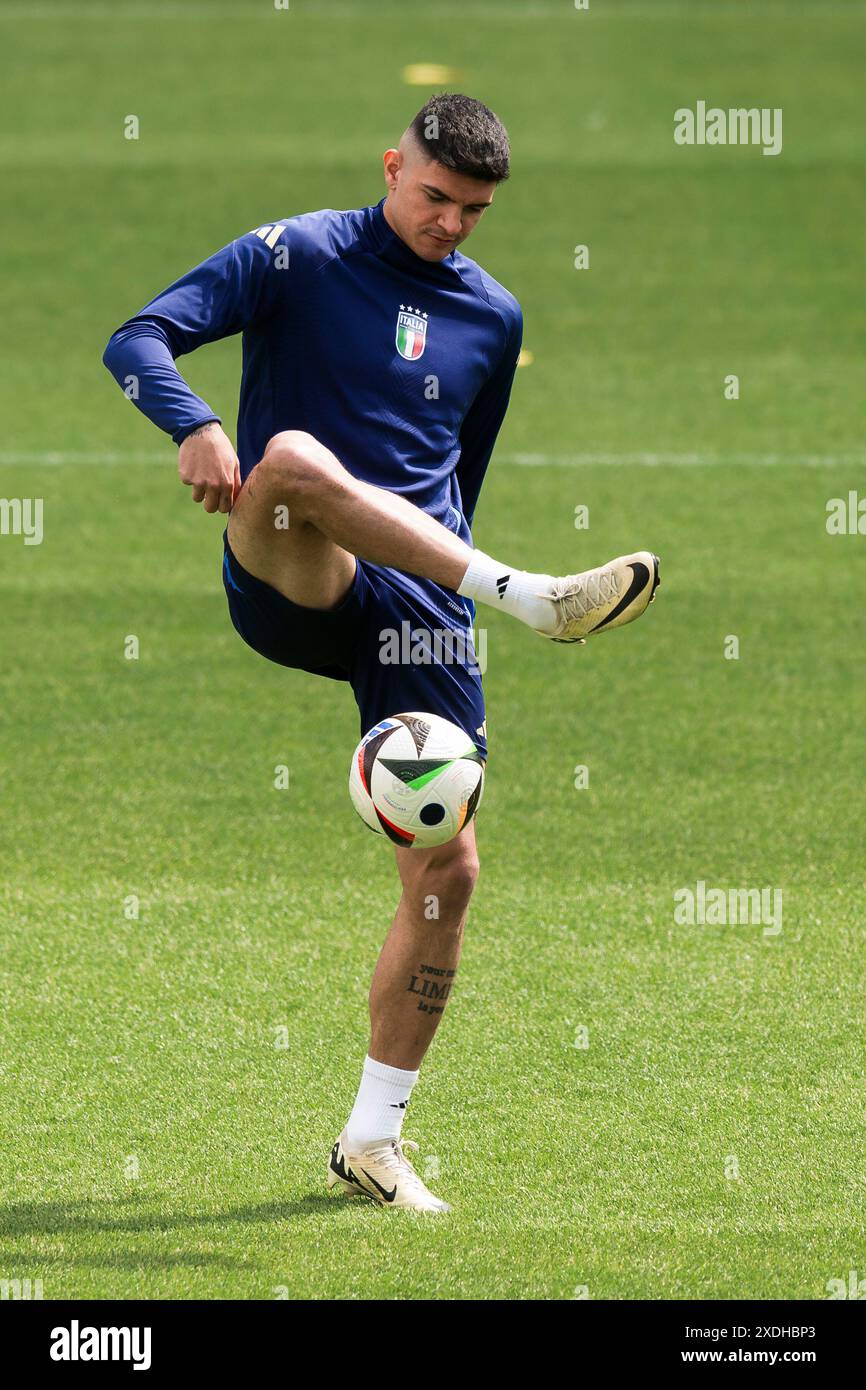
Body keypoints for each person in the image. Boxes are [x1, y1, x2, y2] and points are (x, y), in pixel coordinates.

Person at [104, 93, 660, 1213]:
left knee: (449, 868)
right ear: (391, 164)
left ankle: (371, 1141)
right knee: (297, 456)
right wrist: (197, 424)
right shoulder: (295, 253)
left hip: (422, 599)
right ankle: (535, 598)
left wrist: (442, 620)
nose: (451, 222)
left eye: (474, 209)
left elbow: (462, 470)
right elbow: (136, 337)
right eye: (436, 196)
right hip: (289, 560)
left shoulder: (493, 317)